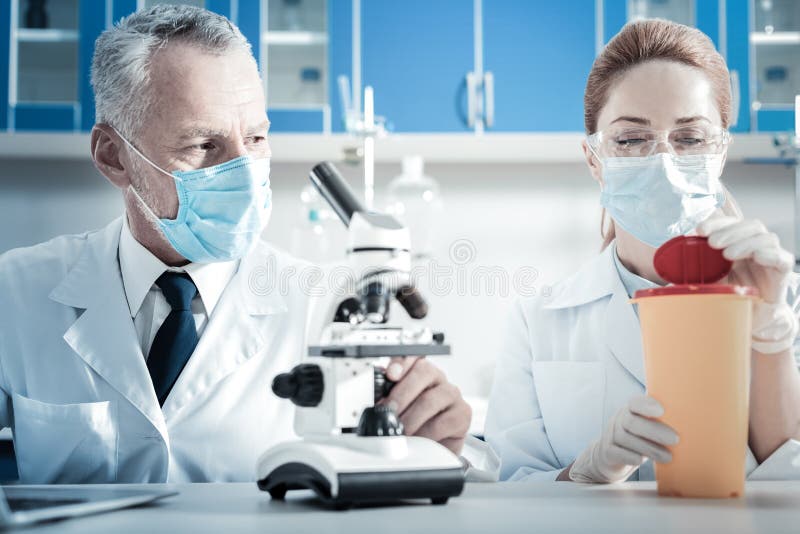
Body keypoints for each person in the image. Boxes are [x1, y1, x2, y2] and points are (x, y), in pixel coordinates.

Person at [0, 5, 475, 484]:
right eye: (203, 145)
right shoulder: (16, 293)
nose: (244, 172)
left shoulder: (325, 307)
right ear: (113, 156)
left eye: (256, 137)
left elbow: (386, 486)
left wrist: (434, 445)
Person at [485, 19, 800, 483]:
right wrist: (583, 473)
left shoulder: (784, 299)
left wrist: (770, 340)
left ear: (720, 152)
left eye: (690, 138)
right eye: (632, 139)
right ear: (595, 159)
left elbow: (791, 481)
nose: (665, 164)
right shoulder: (539, 320)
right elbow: (511, 489)